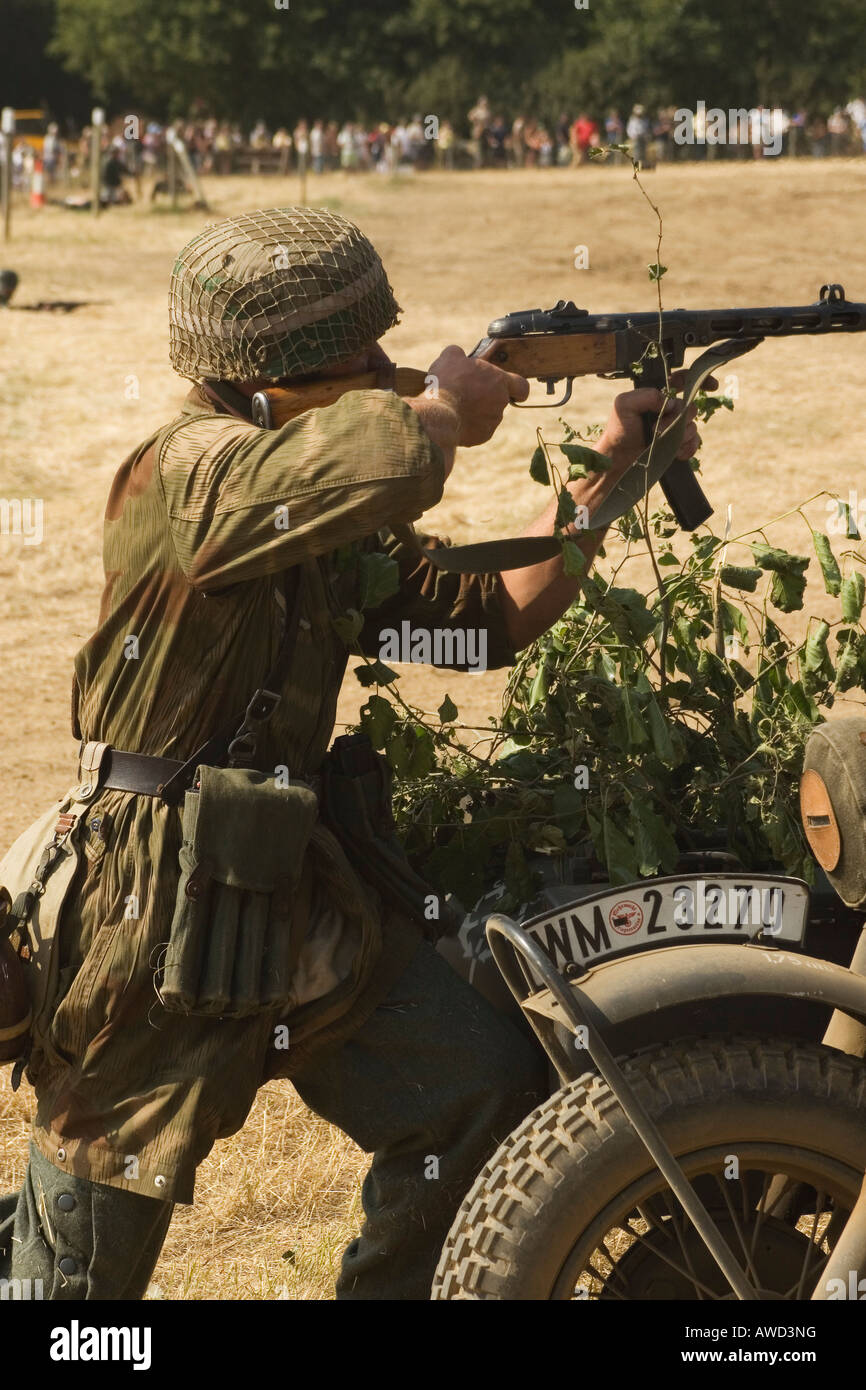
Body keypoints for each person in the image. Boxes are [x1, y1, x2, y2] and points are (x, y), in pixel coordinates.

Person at [0, 205, 703, 1301]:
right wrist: (435, 410)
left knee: (473, 1089)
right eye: (357, 356)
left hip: (281, 893)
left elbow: (476, 619)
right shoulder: (194, 474)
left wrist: (612, 475)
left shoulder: (299, 495)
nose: (385, 368)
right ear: (265, 377)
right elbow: (370, 462)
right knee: (79, 1272)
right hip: (147, 915)